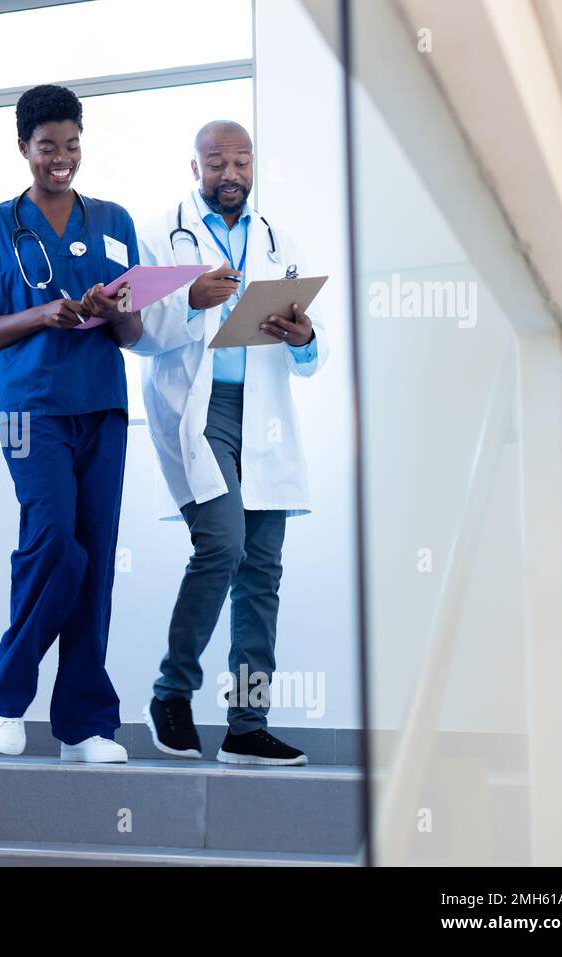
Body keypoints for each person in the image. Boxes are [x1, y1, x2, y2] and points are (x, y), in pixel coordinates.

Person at [129, 120, 329, 765]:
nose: (231, 175)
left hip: (265, 415)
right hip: (196, 410)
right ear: (195, 169)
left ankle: (247, 726)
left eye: (241, 162)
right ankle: (172, 694)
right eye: (217, 163)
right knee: (222, 543)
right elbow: (134, 332)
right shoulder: (159, 234)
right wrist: (188, 299)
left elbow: (311, 350)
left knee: (262, 572)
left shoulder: (277, 241)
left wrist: (304, 337)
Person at [0, 84, 143, 763]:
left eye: (70, 147)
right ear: (23, 150)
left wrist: (112, 305)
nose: (59, 161)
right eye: (46, 149)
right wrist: (41, 314)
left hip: (103, 404)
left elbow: (132, 329)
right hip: (31, 405)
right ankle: (9, 695)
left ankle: (85, 724)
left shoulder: (115, 222)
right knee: (55, 543)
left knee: (95, 560)